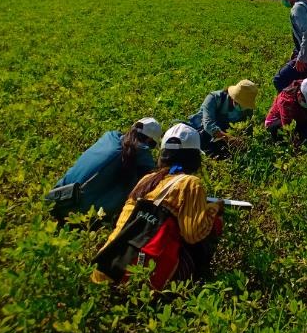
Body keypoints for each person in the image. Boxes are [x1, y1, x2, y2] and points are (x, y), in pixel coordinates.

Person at [92, 123, 223, 287]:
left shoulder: (147, 179)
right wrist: (214, 210)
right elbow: (193, 234)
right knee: (212, 226)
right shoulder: (190, 183)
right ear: (194, 157)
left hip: (104, 268)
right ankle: (192, 283)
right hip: (141, 280)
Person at [47, 117, 162, 220]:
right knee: (141, 181)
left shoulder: (109, 137)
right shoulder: (141, 152)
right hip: (75, 211)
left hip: (57, 196)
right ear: (149, 141)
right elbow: (154, 177)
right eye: (152, 145)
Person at [188, 79, 258, 156]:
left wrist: (244, 141)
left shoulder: (247, 109)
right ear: (234, 98)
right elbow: (208, 125)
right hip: (202, 133)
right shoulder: (214, 98)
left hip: (224, 137)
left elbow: (247, 127)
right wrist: (229, 138)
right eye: (241, 103)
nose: (243, 107)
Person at [264, 77, 307, 142]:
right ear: (299, 94)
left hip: (298, 115)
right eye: (306, 101)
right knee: (304, 136)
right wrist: (296, 144)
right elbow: (287, 127)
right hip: (277, 123)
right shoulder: (286, 102)